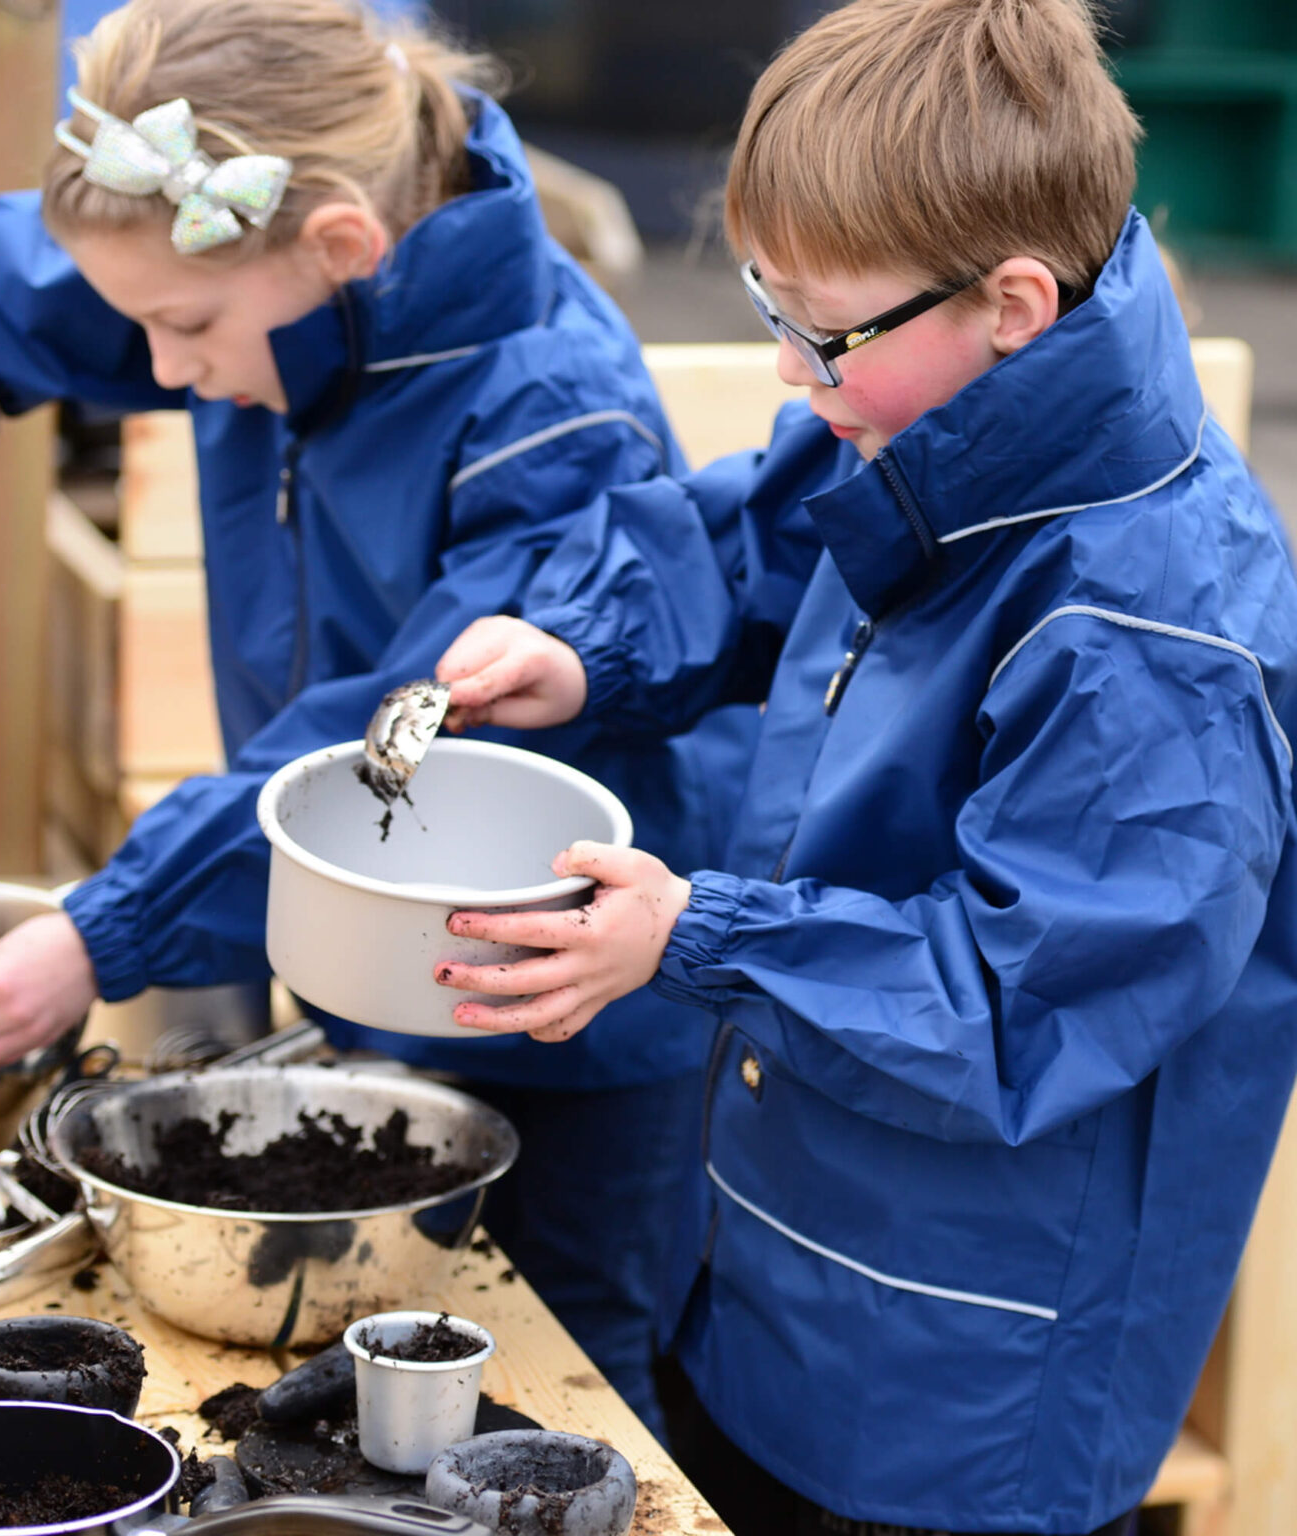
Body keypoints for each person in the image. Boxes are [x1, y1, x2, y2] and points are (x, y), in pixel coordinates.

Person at [0, 0, 758, 1435]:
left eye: (182, 332)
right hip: (358, 972)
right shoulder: (242, 277)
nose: (158, 370)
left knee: (560, 1393)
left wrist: (107, 929)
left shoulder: (554, 420)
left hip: (578, 1032)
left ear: (342, 249)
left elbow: (377, 764)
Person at [428, 0, 1297, 1531]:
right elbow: (759, 545)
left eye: (817, 329)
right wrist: (589, 649)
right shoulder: (929, 423)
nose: (786, 368)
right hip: (769, 1273)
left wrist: (695, 936)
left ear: (1013, 303)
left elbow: (1024, 1006)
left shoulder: (1151, 639)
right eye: (767, 304)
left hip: (964, 1398)